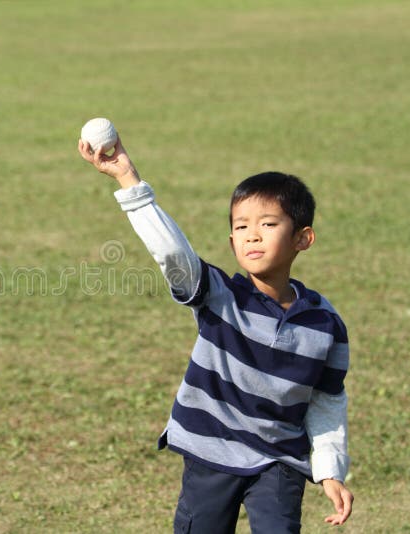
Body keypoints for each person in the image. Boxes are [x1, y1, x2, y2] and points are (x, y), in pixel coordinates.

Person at [77, 136, 354, 533]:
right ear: (231, 241)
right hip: (211, 448)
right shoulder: (219, 295)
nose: (252, 235)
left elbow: (327, 402)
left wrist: (329, 470)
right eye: (241, 226)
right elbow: (173, 254)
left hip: (278, 459)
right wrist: (128, 179)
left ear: (302, 238)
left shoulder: (325, 325)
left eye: (268, 224)